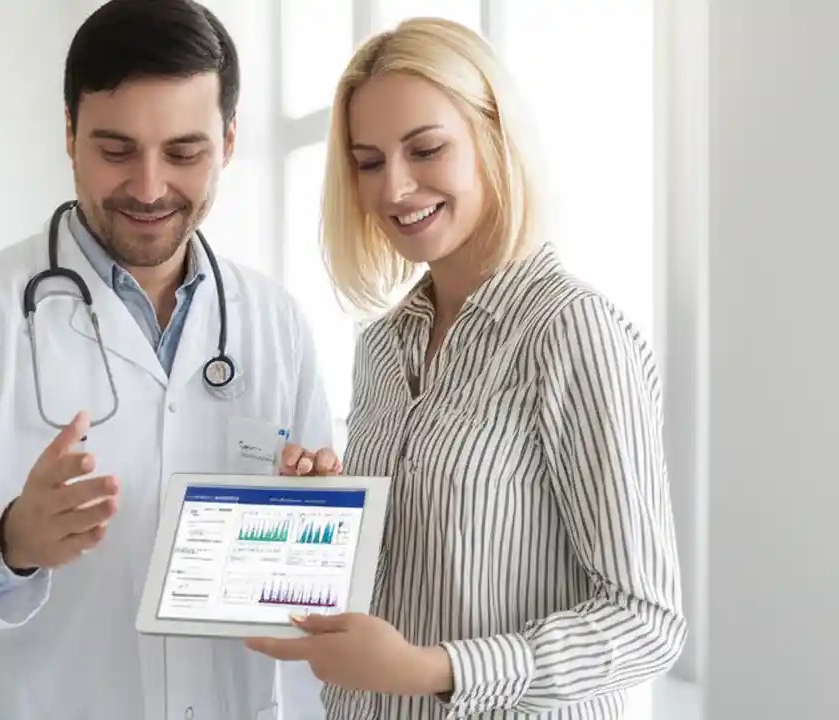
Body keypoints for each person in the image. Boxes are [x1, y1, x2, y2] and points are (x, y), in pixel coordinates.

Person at [0, 1, 332, 718]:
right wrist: (10, 541)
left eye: (185, 152)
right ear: (69, 136)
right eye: (116, 149)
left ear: (227, 141)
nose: (151, 187)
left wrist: (311, 519)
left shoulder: (274, 323)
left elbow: (305, 596)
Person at [245, 17, 687, 719]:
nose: (394, 189)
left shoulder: (571, 332)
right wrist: (328, 523)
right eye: (368, 161)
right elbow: (413, 574)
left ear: (493, 136)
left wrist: (435, 670)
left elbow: (645, 623)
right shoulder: (382, 348)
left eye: (425, 149)